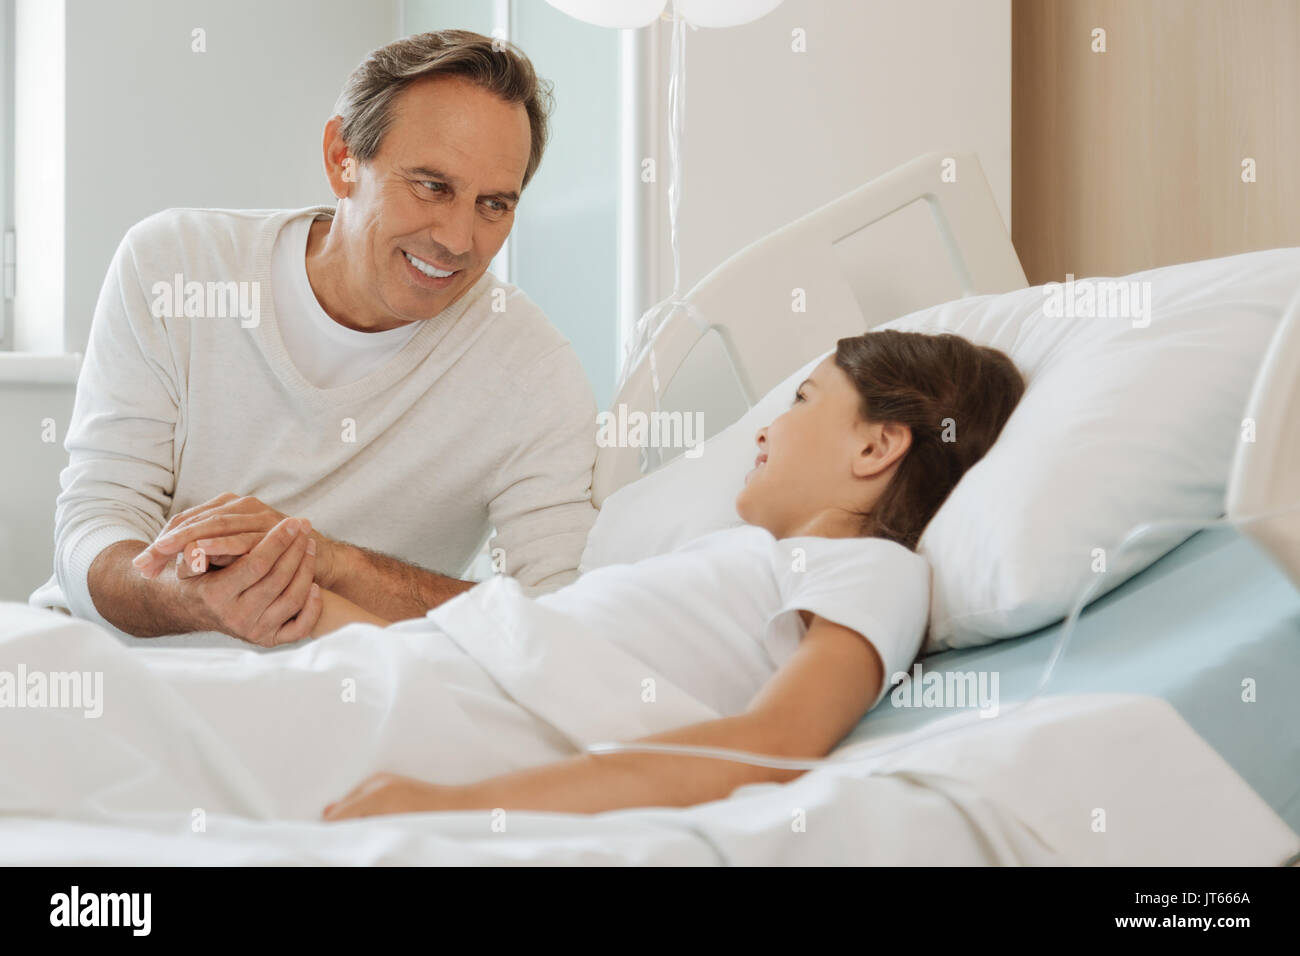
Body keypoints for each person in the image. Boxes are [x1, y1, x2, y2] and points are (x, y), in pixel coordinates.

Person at [30, 30, 598, 649]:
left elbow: (561, 623)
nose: (459, 240)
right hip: (105, 660)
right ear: (342, 158)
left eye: (494, 205)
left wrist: (335, 564)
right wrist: (183, 598)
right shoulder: (174, 265)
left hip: (320, 700)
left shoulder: (533, 371)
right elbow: (93, 524)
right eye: (432, 186)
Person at [309, 330, 1026, 817]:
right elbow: (504, 650)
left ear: (876, 445)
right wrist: (310, 604)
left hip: (436, 731)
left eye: (803, 399)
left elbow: (775, 746)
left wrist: (458, 810)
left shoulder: (874, 570)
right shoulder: (738, 559)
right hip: (410, 679)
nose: (765, 429)